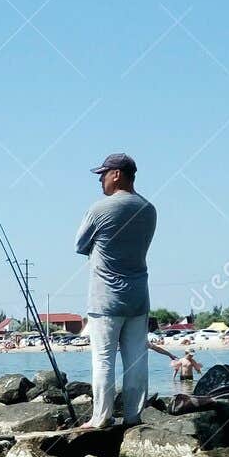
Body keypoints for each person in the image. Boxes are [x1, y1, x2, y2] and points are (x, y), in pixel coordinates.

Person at [75, 153, 157, 428]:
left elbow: (80, 244)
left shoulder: (100, 209)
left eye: (103, 173)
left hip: (105, 299)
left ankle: (101, 417)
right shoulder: (149, 209)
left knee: (103, 359)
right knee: (136, 361)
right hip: (138, 297)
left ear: (117, 174)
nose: (100, 179)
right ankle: (133, 417)